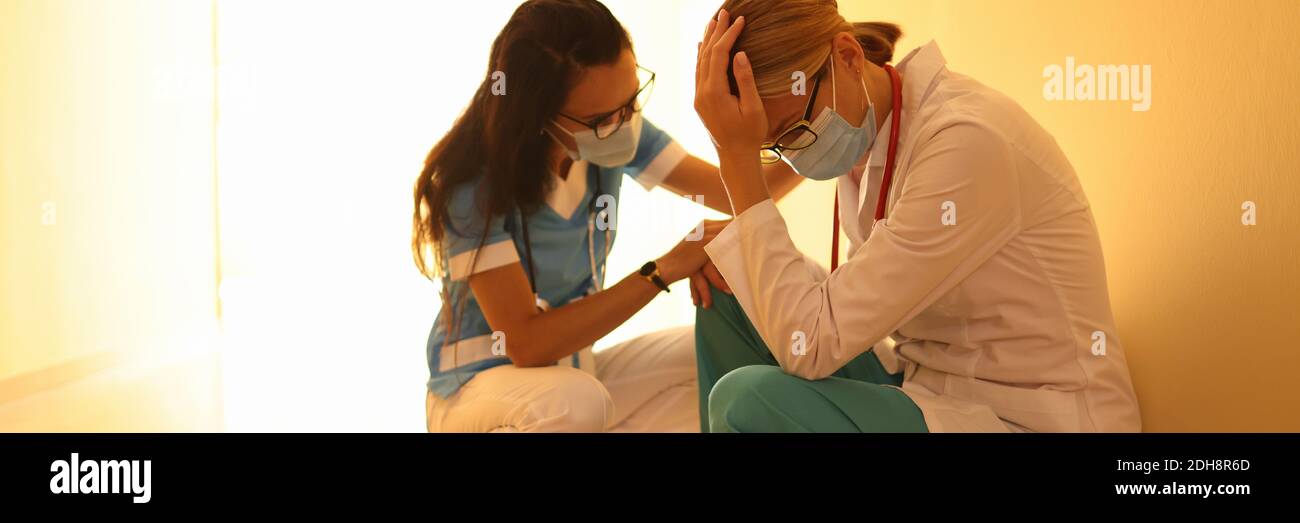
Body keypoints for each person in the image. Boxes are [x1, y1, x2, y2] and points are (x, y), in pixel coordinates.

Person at [690, 0, 1142, 433]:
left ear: (847, 57)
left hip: (1025, 416)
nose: (795, 152)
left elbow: (809, 346)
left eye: (796, 129)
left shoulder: (966, 139)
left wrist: (738, 160)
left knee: (744, 399)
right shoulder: (872, 137)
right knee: (726, 292)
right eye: (774, 145)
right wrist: (743, 259)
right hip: (928, 387)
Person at [412, 0, 802, 432]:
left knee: (739, 363)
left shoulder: (613, 131)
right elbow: (525, 343)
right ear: (537, 114)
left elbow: (741, 191)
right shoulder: (469, 185)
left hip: (574, 374)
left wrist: (820, 129)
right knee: (578, 403)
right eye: (601, 118)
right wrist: (666, 268)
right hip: (480, 390)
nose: (624, 123)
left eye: (631, 101)